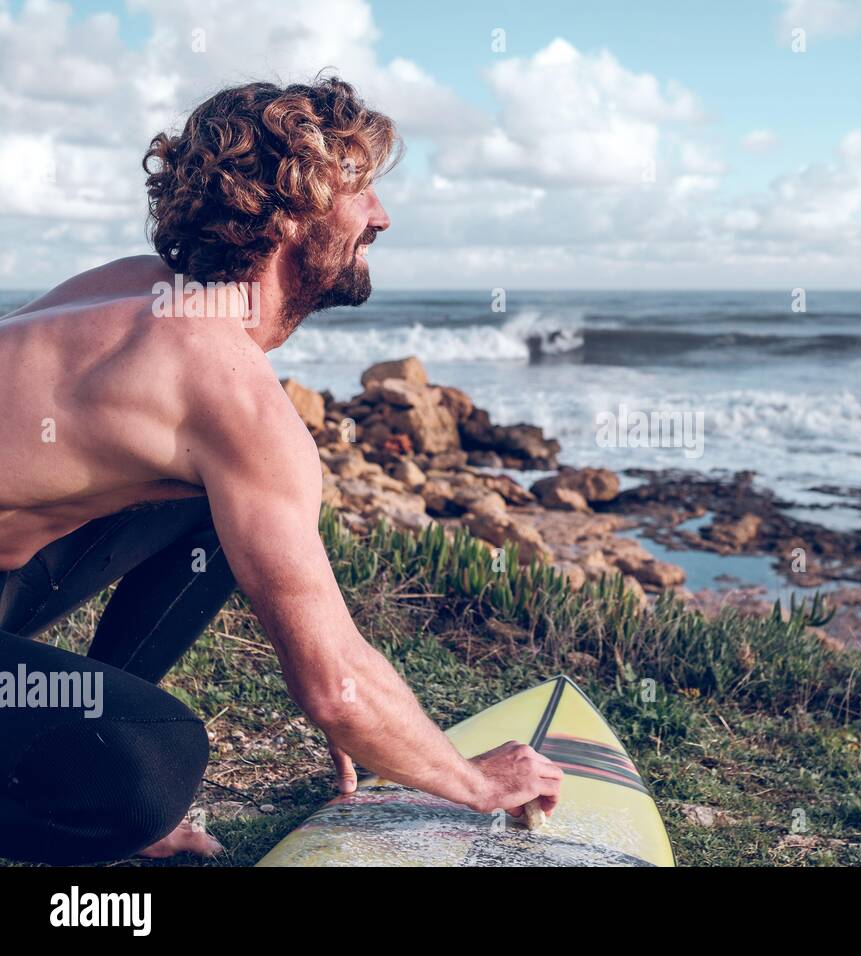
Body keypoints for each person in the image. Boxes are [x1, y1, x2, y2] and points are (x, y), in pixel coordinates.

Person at [0, 77, 562, 865]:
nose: (381, 215)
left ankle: (52, 734)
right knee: (150, 761)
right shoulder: (223, 385)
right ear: (290, 208)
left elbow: (320, 643)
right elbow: (337, 683)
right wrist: (469, 782)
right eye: (359, 189)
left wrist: (360, 714)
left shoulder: (138, 291)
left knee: (202, 508)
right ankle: (67, 764)